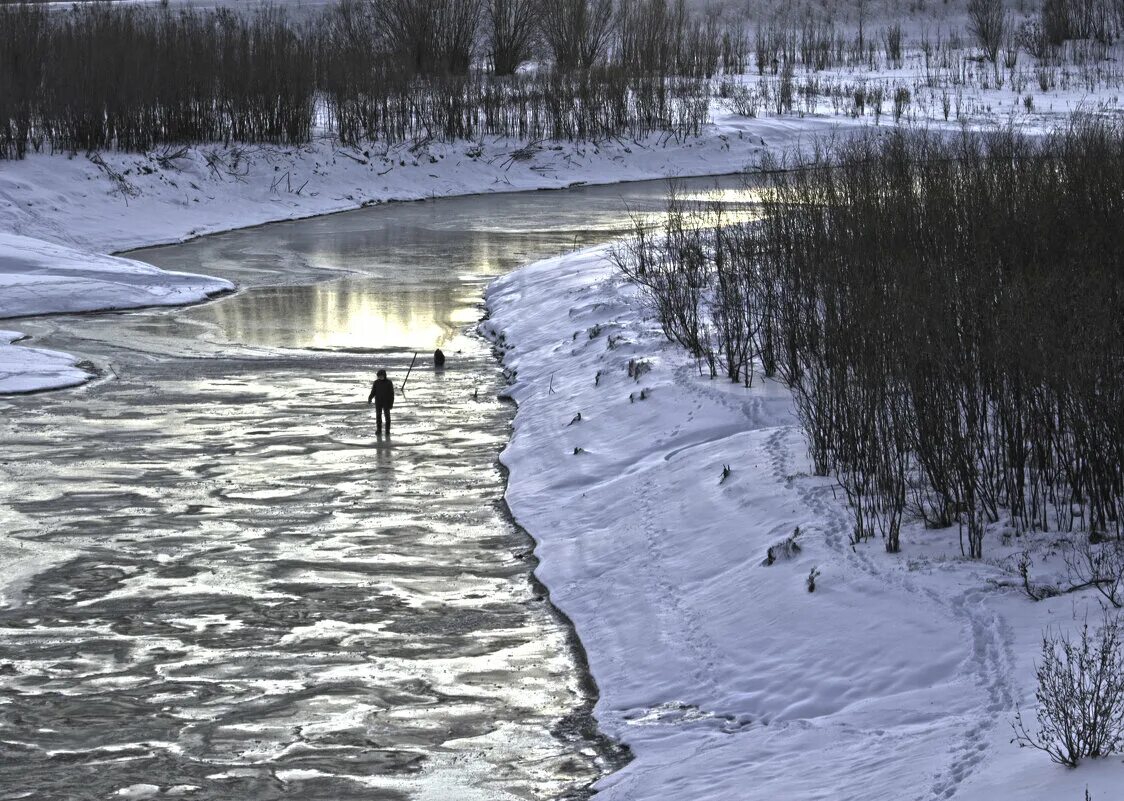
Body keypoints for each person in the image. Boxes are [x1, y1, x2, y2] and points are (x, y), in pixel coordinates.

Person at [367, 369, 394, 435]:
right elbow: (373, 391)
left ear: (384, 375)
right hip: (378, 402)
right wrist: (370, 398)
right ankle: (379, 430)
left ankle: (387, 431)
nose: (380, 377)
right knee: (378, 416)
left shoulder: (389, 382)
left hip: (386, 402)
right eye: (379, 376)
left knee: (387, 417)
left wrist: (391, 404)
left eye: (381, 376)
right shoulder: (376, 382)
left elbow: (391, 394)